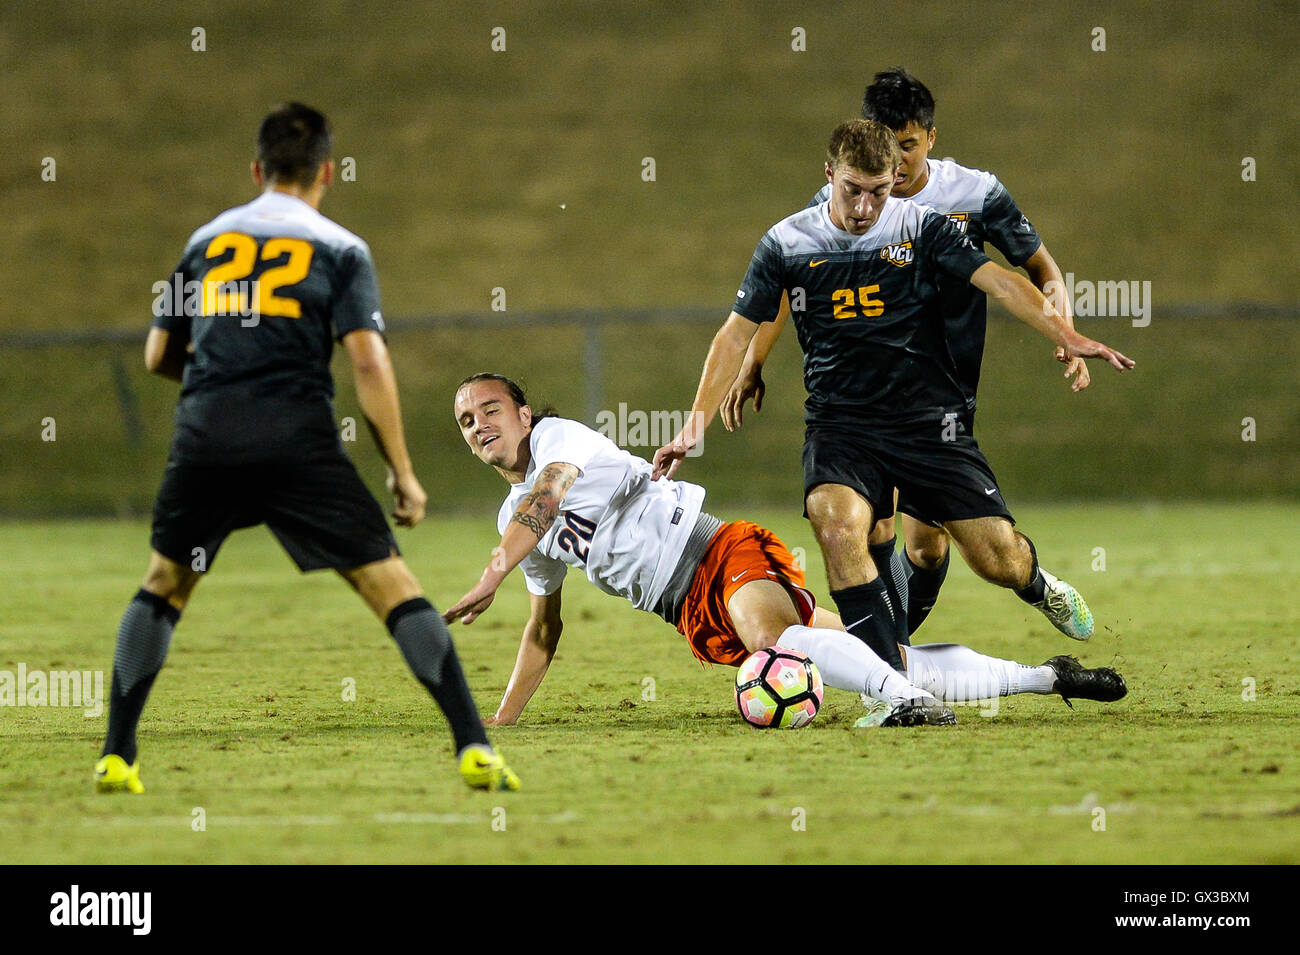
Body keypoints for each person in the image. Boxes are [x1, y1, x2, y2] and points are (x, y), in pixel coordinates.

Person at [95, 103, 519, 794]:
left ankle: (117, 754)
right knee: (390, 585)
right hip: (297, 437)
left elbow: (155, 355)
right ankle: (474, 745)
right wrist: (402, 472)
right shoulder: (340, 247)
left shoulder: (205, 241)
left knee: (164, 585)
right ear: (327, 170)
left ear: (257, 170)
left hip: (206, 434)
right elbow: (370, 363)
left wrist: (214, 381)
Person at [652, 119, 1134, 676]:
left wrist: (1067, 335)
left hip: (929, 422)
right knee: (836, 524)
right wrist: (694, 425)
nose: (864, 207)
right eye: (852, 189)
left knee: (994, 558)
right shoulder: (787, 241)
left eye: (878, 191)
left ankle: (1035, 582)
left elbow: (1001, 281)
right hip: (842, 425)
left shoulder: (921, 228)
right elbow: (736, 331)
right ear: (829, 173)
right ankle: (891, 688)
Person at [442, 374, 1125, 726]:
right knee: (886, 657)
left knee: (781, 639)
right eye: (467, 420)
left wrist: (493, 568)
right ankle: (1046, 676)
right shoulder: (514, 519)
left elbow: (552, 492)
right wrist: (503, 717)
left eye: (491, 408)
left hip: (716, 552)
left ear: (527, 414)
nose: (480, 424)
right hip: (692, 614)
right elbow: (544, 627)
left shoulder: (561, 441)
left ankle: (901, 702)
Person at [722, 68, 1089, 642]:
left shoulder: (973, 193)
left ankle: (1032, 584)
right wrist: (754, 360)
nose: (893, 165)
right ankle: (890, 659)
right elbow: (792, 288)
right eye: (885, 149)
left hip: (943, 389)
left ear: (931, 139)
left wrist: (1064, 332)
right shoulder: (846, 199)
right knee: (862, 525)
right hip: (863, 397)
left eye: (908, 148)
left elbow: (1036, 269)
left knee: (931, 543)